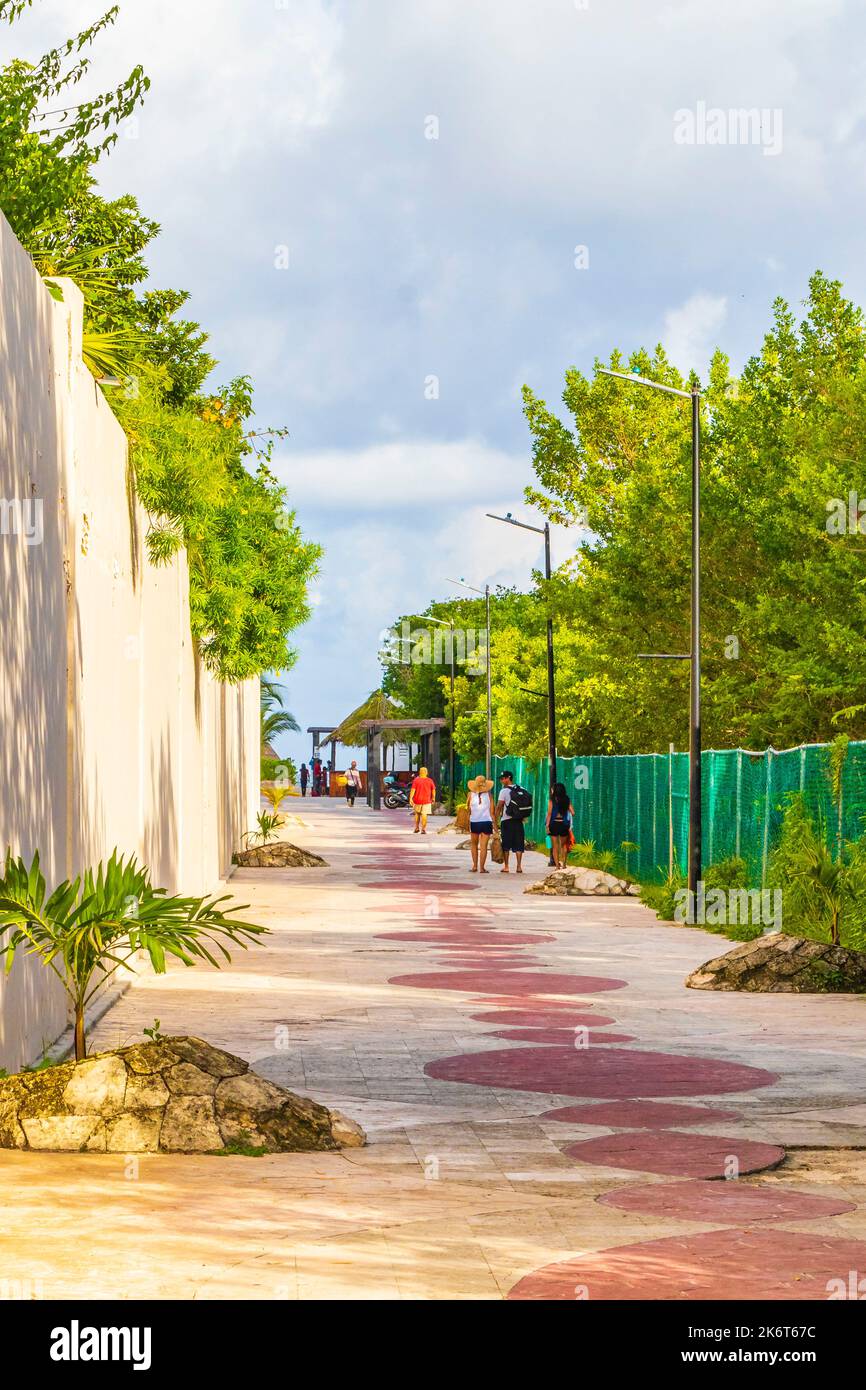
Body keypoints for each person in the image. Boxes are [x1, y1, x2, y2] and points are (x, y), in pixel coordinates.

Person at [496, 769, 525, 874]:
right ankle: (519, 866)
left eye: (503, 778)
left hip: (506, 820)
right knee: (519, 844)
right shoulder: (521, 789)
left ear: (508, 778)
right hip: (518, 820)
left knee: (506, 844)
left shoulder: (503, 791)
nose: (501, 780)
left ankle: (507, 866)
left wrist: (495, 819)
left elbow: (499, 806)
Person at [466, 774, 494, 873]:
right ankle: (482, 868)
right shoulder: (489, 795)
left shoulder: (470, 794)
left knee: (474, 844)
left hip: (474, 822)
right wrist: (495, 826)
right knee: (484, 846)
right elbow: (492, 812)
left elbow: (468, 809)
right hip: (487, 822)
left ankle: (474, 866)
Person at [546, 781, 574, 869]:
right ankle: (564, 865)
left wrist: (547, 826)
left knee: (555, 847)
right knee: (563, 845)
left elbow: (549, 814)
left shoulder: (552, 800)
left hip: (553, 824)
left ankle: (557, 866)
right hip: (564, 824)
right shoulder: (566, 799)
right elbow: (573, 812)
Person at [409, 764, 436, 834]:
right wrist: (433, 798)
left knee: (417, 814)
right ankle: (423, 829)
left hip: (417, 800)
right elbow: (433, 790)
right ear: (426, 772)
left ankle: (417, 827)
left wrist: (410, 798)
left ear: (420, 772)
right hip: (427, 800)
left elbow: (413, 790)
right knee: (424, 814)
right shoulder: (430, 780)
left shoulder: (416, 780)